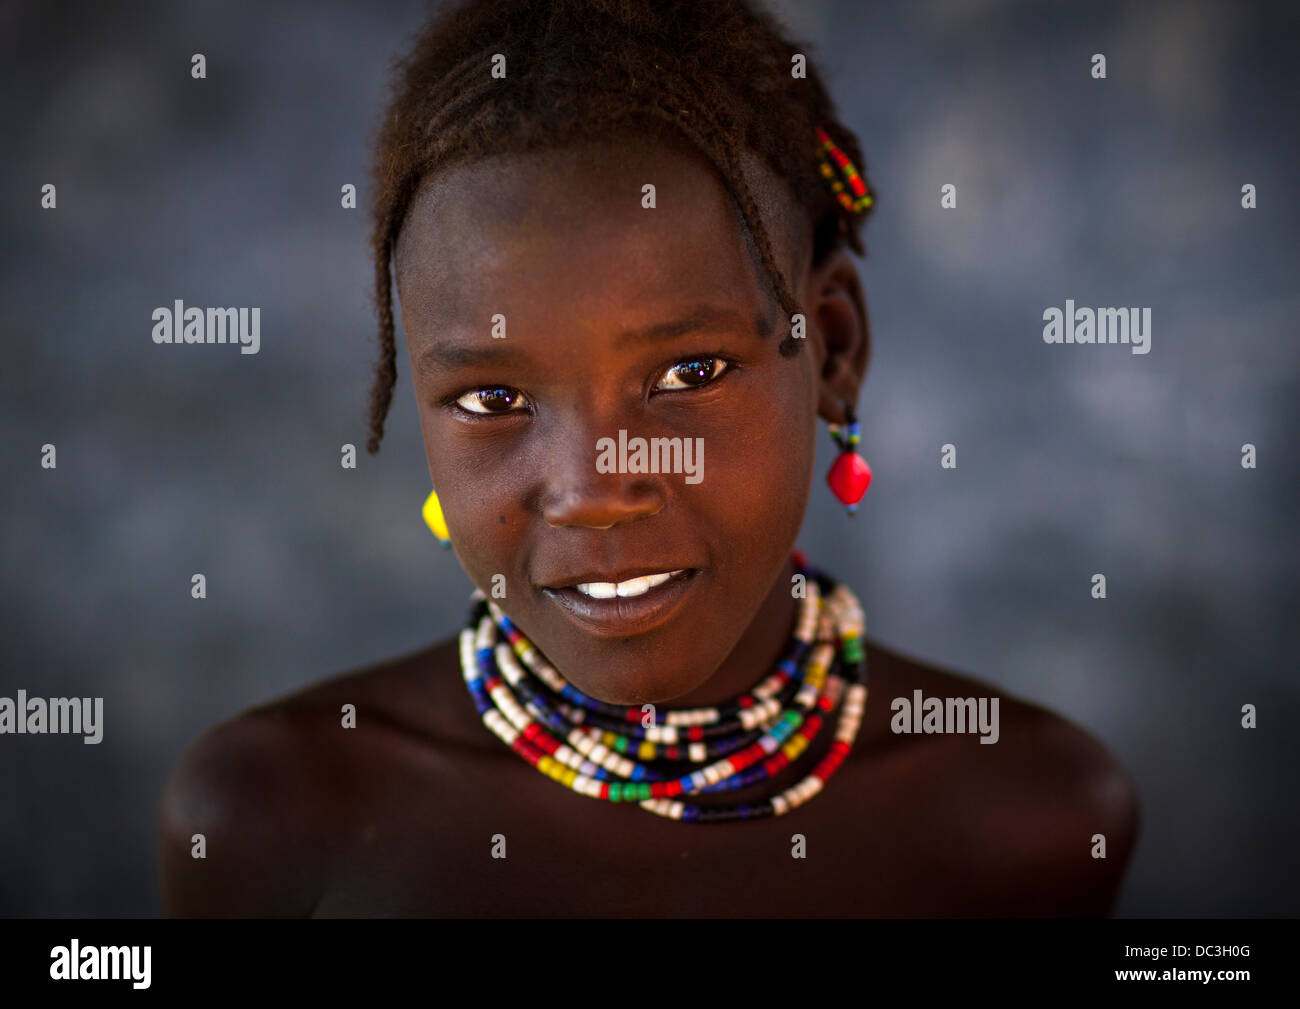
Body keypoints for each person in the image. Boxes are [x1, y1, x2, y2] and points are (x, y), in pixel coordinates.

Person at [159, 0, 1139, 916]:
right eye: (493, 399)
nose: (592, 492)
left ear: (831, 349)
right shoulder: (274, 818)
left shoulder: (1030, 820)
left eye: (689, 370)